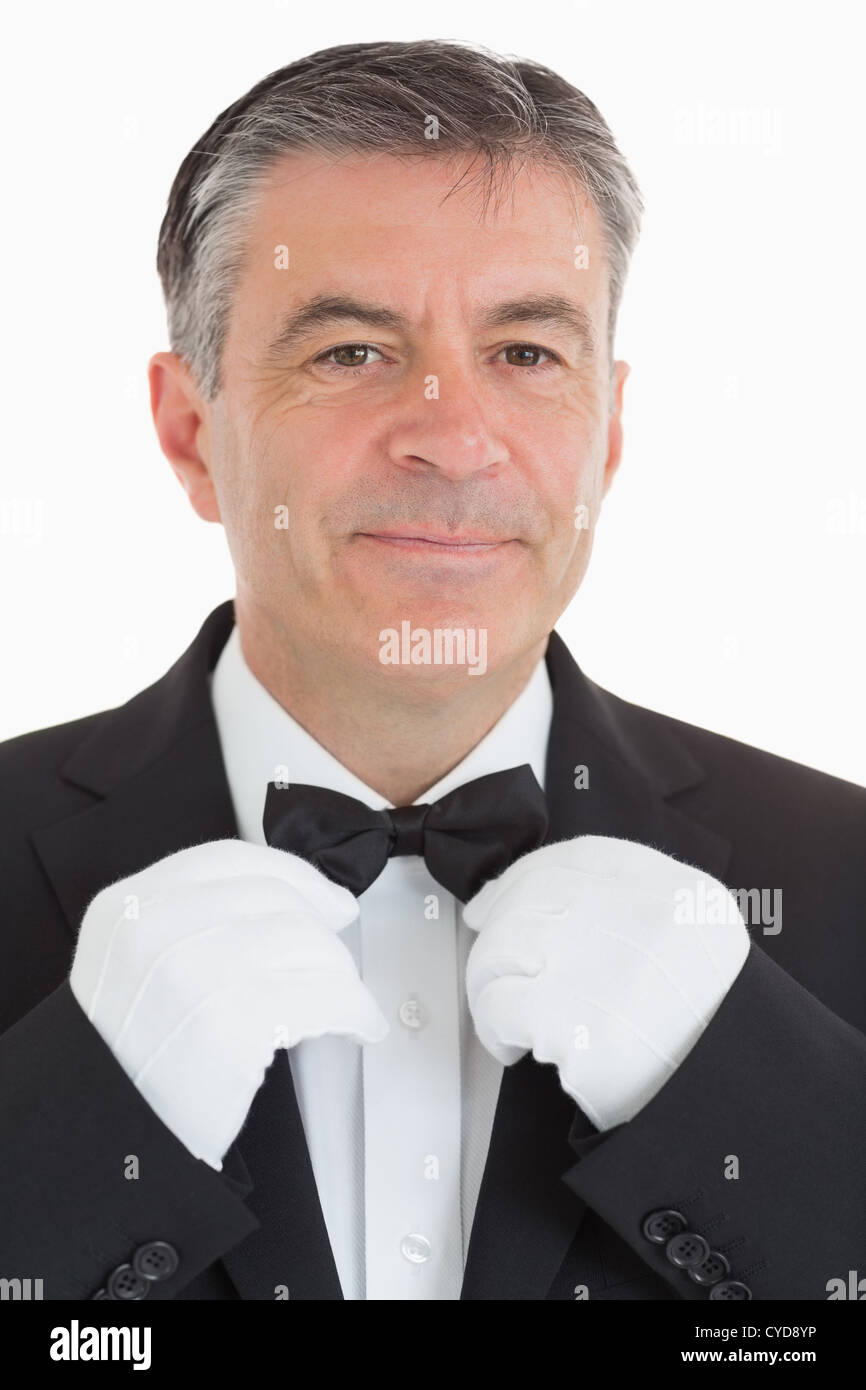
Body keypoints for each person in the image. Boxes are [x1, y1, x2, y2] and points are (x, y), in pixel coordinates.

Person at [1, 39, 864, 1303]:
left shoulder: (843, 872)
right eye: (349, 351)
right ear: (191, 432)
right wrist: (75, 1126)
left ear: (606, 434)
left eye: (525, 354)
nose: (455, 436)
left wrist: (740, 1089)